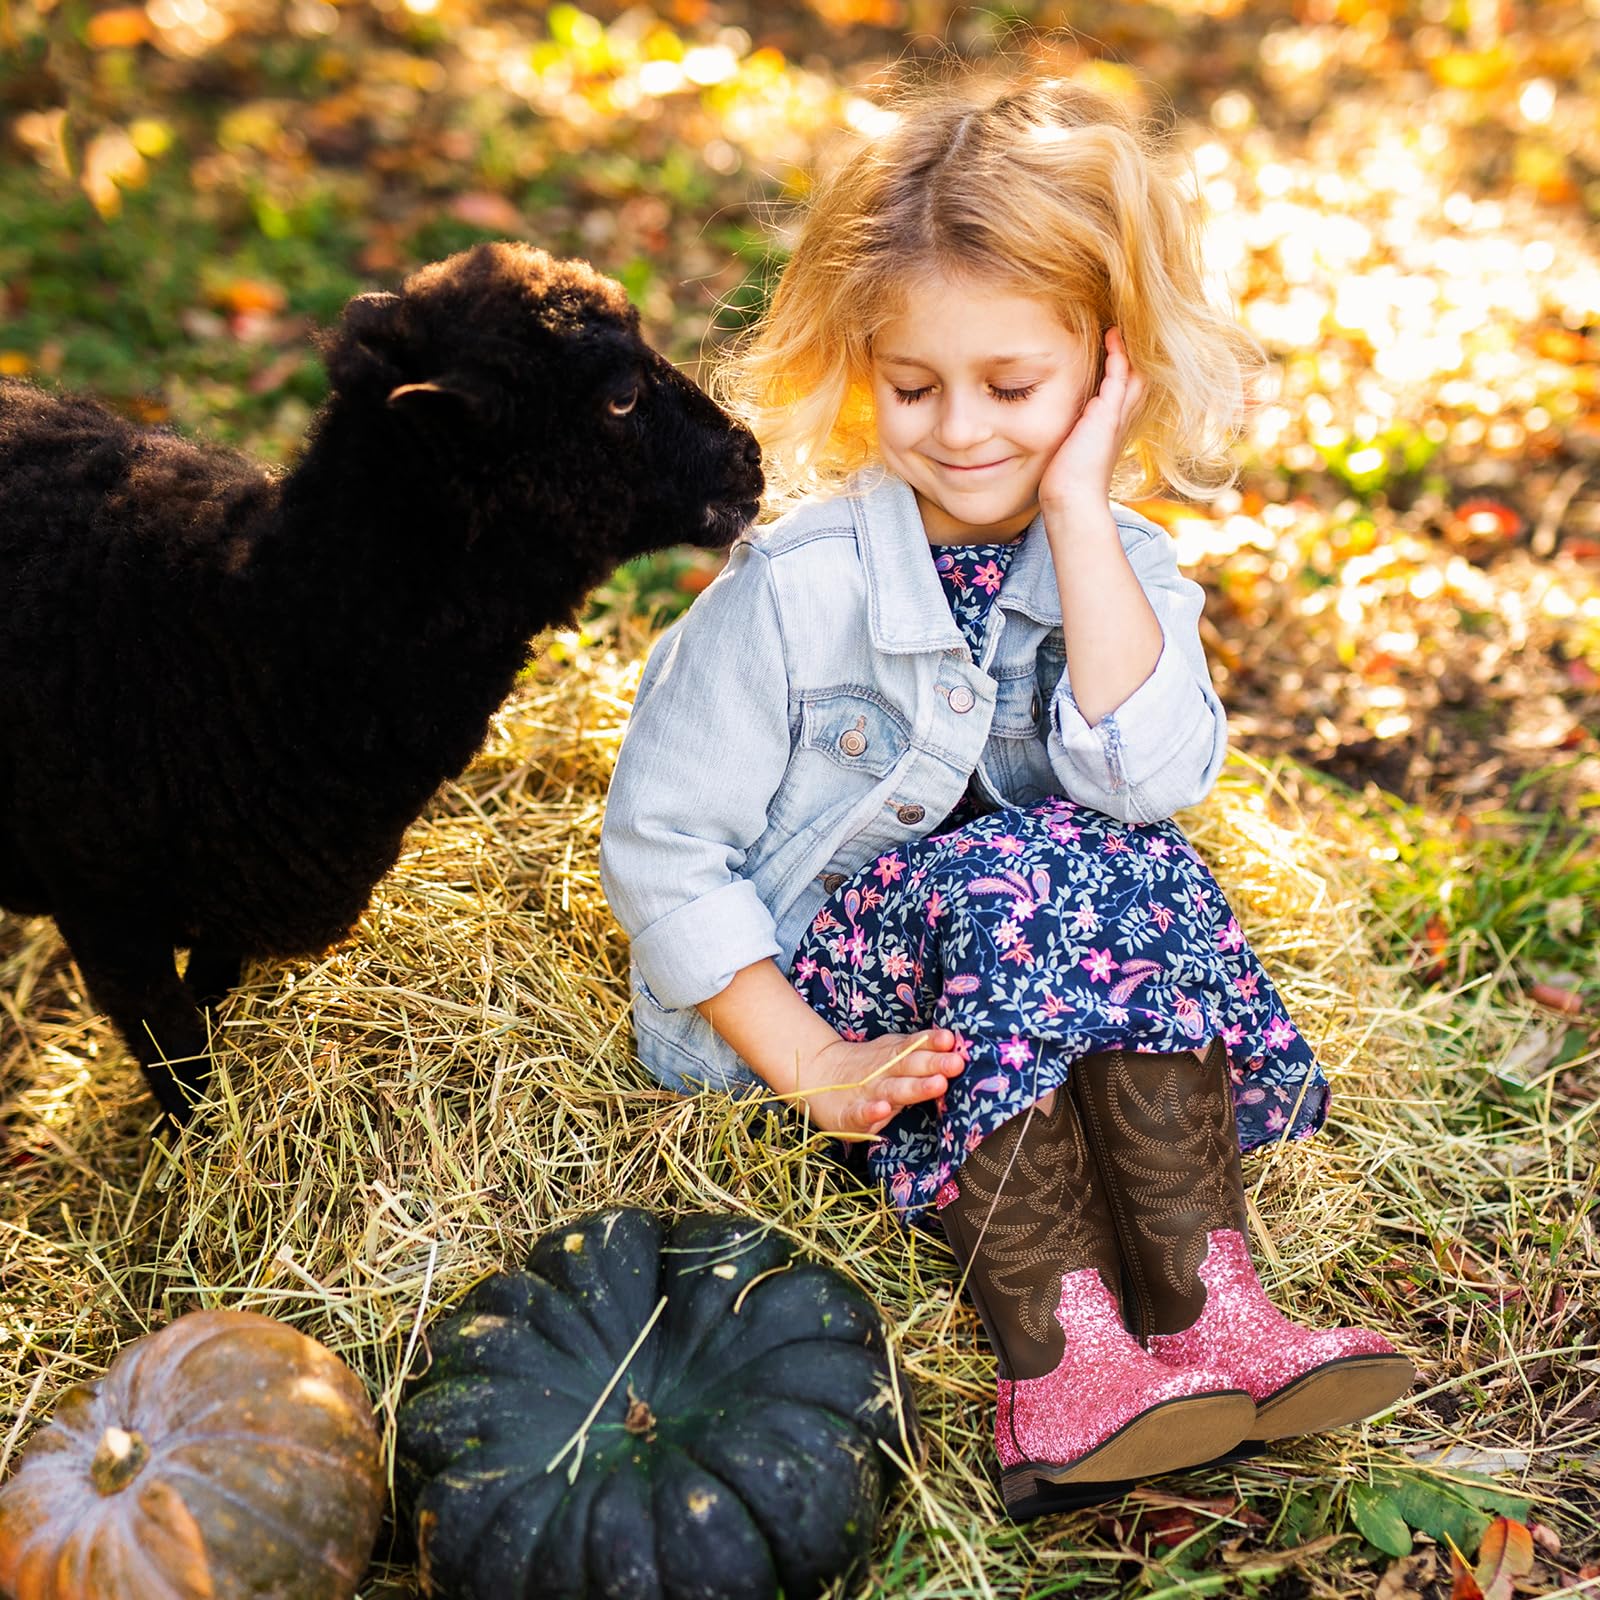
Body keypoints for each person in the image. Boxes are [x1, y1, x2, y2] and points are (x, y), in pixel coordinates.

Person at [598, 62, 1413, 1519]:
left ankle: (1214, 1314)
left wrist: (1082, 510)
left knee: (1130, 858)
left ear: (1108, 366)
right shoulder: (794, 591)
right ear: (861, 363)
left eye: (1015, 387)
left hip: (1039, 975)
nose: (961, 429)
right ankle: (1062, 1364)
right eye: (913, 387)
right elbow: (663, 846)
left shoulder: (1126, 568)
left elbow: (1152, 777)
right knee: (1016, 870)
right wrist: (810, 1060)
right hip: (840, 1014)